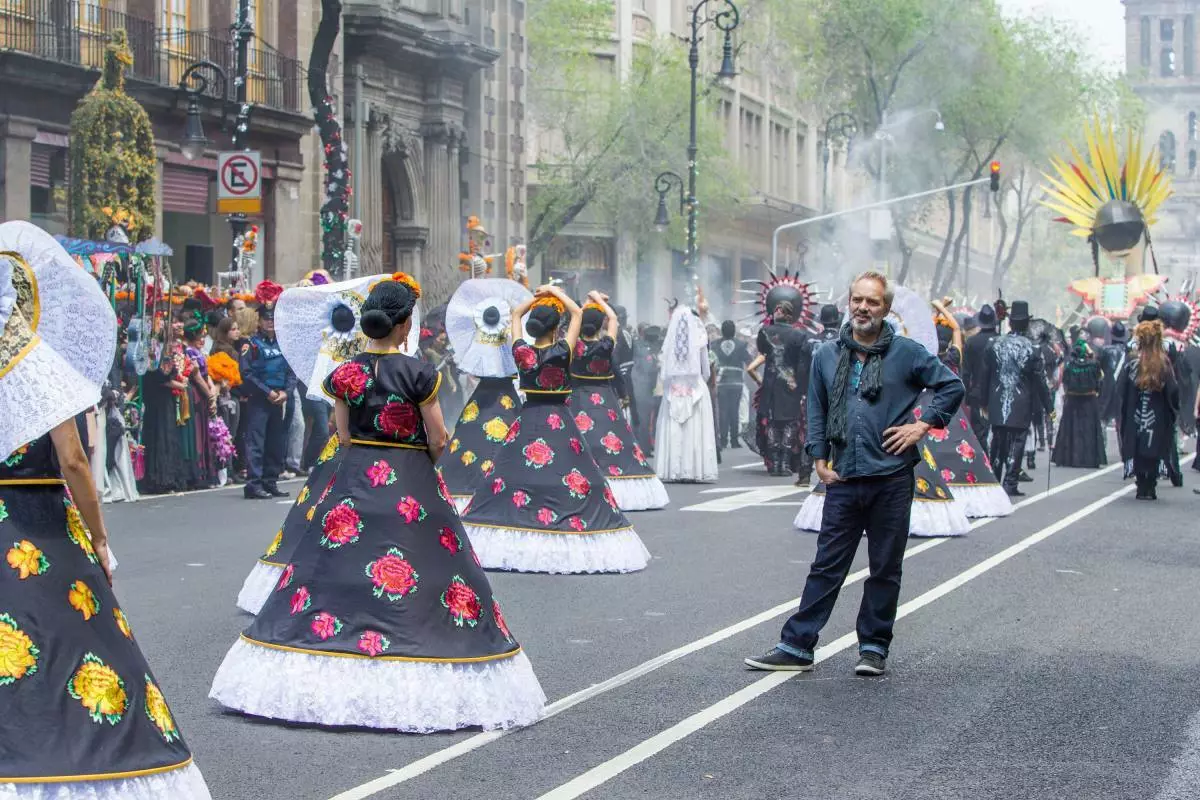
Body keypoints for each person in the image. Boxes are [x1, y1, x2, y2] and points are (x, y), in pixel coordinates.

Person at [210, 274, 546, 730]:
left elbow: (341, 433)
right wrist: (420, 460)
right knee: (433, 572)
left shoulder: (345, 372)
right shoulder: (420, 373)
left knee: (325, 571)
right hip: (410, 486)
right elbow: (439, 436)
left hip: (354, 484)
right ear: (405, 326)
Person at [0, 222, 211, 798]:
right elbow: (72, 459)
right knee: (72, 641)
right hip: (42, 520)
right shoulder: (39, 367)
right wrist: (98, 534)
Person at [747, 271, 964, 676]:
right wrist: (817, 456)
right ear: (849, 302)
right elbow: (816, 406)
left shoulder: (907, 353)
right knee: (827, 564)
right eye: (858, 300)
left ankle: (873, 647)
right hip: (843, 476)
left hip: (892, 477)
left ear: (886, 308)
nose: (864, 307)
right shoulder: (827, 354)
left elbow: (951, 386)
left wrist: (922, 425)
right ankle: (797, 646)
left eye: (873, 302)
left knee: (885, 566)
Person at [459, 285, 649, 573]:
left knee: (510, 474)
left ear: (532, 327)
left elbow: (515, 315)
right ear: (557, 328)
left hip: (528, 418)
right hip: (560, 420)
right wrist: (553, 292)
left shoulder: (522, 352)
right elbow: (576, 312)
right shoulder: (563, 351)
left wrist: (535, 299)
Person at [568, 293, 669, 510]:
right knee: (614, 443)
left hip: (577, 401)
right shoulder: (606, 345)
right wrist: (600, 301)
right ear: (601, 325)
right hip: (605, 401)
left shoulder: (573, 346)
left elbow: (576, 316)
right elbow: (613, 319)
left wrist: (587, 303)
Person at [980, 300, 1052, 497]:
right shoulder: (1032, 348)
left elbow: (984, 376)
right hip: (1021, 401)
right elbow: (1041, 381)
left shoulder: (993, 344)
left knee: (997, 438)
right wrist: (1049, 407)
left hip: (996, 399)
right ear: (1026, 323)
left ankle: (994, 479)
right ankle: (1010, 482)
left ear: (1010, 323)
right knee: (1017, 441)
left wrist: (983, 401)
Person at [655, 301, 720, 482]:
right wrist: (700, 381)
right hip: (695, 386)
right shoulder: (699, 336)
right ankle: (694, 470)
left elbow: (663, 371)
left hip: (674, 386)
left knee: (674, 429)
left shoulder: (670, 341)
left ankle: (674, 470)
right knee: (695, 431)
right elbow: (705, 369)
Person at [1117, 320, 1180, 500]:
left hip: (1134, 413)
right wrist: (1173, 409)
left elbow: (1120, 388)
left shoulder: (1131, 361)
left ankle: (1141, 485)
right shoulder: (1163, 363)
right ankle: (1150, 485)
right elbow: (1173, 390)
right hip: (1157, 414)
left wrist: (1124, 408)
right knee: (1154, 447)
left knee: (1136, 447)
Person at [239, 301, 295, 499]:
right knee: (256, 442)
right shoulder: (252, 344)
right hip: (260, 399)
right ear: (259, 321)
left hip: (279, 399)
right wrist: (267, 392)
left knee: (275, 442)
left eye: (273, 319)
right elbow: (246, 374)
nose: (270, 323)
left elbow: (290, 371)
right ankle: (253, 484)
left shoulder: (283, 344)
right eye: (266, 319)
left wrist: (286, 392)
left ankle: (270, 481)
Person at [747, 301, 808, 480]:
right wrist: (801, 385)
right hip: (790, 383)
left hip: (771, 383)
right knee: (790, 422)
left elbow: (762, 351)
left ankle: (775, 463)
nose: (777, 311)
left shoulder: (764, 332)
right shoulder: (799, 335)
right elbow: (802, 364)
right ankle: (784, 463)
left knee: (773, 422)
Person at [1052, 339, 1106, 468]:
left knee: (1071, 429)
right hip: (1090, 399)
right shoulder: (1094, 364)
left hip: (1072, 400)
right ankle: (1090, 459)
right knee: (1089, 429)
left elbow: (1065, 382)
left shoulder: (1069, 365)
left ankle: (1069, 458)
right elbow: (1100, 378)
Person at [962, 303, 999, 449]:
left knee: (979, 431)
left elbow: (966, 372)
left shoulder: (971, 342)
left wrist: (967, 396)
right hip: (997, 392)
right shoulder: (1000, 341)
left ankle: (984, 461)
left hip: (977, 391)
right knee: (995, 429)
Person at [713, 320, 751, 450]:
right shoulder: (741, 345)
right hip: (736, 383)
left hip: (721, 383)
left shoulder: (714, 345)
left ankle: (723, 440)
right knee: (734, 411)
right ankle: (734, 440)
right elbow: (749, 361)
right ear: (734, 330)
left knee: (722, 411)